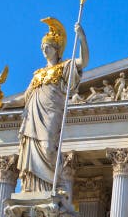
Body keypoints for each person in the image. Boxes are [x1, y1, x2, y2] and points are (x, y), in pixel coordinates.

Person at [11, 17, 89, 192]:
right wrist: (3, 104)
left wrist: (82, 39)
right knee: (31, 151)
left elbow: (82, 61)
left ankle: (51, 189)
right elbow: (25, 97)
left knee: (47, 148)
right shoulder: (38, 74)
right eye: (42, 47)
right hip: (33, 117)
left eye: (47, 46)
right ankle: (33, 190)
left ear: (57, 49)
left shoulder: (64, 67)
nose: (44, 50)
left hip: (51, 114)